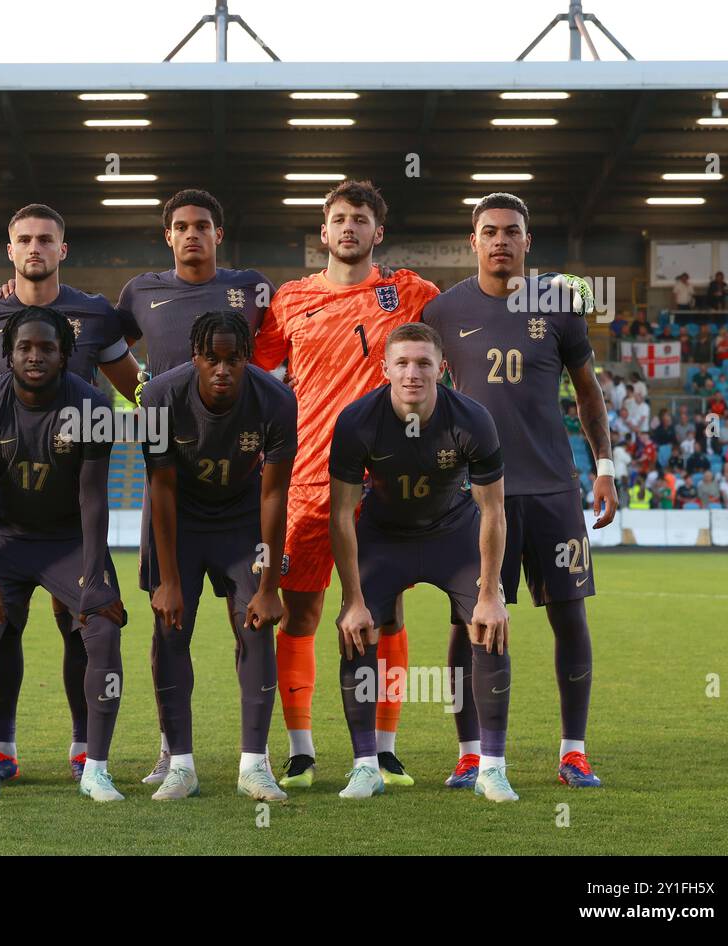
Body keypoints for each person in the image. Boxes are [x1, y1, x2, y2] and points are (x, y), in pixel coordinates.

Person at [249, 180, 441, 790]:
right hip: (306, 478)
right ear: (324, 233)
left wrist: (543, 292)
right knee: (300, 613)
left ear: (377, 232)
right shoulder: (289, 300)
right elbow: (255, 373)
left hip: (383, 483)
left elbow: (466, 322)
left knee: (383, 611)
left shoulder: (409, 292)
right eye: (339, 219)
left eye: (361, 218)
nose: (349, 227)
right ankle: (301, 750)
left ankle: (383, 749)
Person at [423, 192, 616, 790]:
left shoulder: (557, 304)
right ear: (473, 241)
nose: (501, 240)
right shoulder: (442, 311)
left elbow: (587, 392)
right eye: (490, 231)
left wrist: (604, 465)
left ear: (527, 242)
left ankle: (574, 751)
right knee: (469, 623)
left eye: (511, 231)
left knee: (569, 616)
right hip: (475, 495)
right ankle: (471, 752)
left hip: (554, 489)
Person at [0, 202, 141, 784]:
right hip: (7, 521)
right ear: (8, 249)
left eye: (46, 239)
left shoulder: (96, 315)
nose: (34, 247)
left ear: (63, 248)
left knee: (85, 627)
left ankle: (88, 752)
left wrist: (177, 424)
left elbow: (135, 388)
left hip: (67, 519)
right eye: (23, 239)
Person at [329, 322, 513, 801]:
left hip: (453, 535)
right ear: (385, 367)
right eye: (403, 363)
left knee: (488, 626)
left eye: (424, 363)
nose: (413, 373)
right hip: (384, 538)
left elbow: (493, 510)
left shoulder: (473, 419)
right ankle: (365, 765)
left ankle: (492, 767)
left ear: (442, 369)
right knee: (358, 630)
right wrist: (352, 599)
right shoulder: (356, 421)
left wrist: (491, 594)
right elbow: (342, 514)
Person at [138, 310, 296, 801]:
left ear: (248, 358)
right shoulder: (162, 396)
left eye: (233, 359)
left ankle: (254, 764)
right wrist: (168, 579)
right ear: (195, 357)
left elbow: (274, 496)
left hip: (243, 523)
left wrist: (269, 586)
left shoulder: (276, 400)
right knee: (170, 629)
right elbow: (160, 487)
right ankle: (180, 765)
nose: (223, 368)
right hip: (179, 522)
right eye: (213, 358)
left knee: (256, 627)